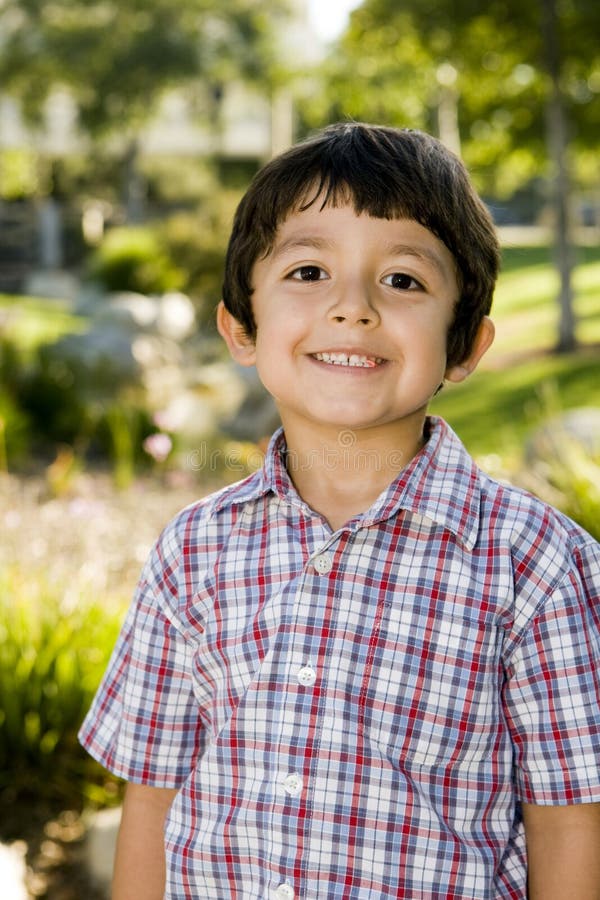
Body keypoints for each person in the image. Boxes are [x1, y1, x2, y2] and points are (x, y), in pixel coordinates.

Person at [79, 123, 600, 899]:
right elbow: (152, 797)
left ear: (466, 346)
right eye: (310, 270)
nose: (351, 307)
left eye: (403, 281)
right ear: (241, 327)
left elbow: (569, 820)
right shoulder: (193, 551)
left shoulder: (537, 563)